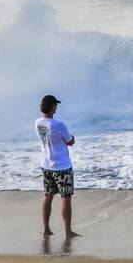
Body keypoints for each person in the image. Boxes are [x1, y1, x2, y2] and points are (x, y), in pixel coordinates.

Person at [35, 94, 78, 238]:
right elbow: (69, 141)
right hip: (61, 165)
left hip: (46, 164)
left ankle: (46, 229)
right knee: (66, 197)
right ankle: (68, 231)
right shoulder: (58, 124)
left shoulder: (38, 122)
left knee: (48, 196)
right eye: (56, 105)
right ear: (53, 107)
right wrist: (73, 138)